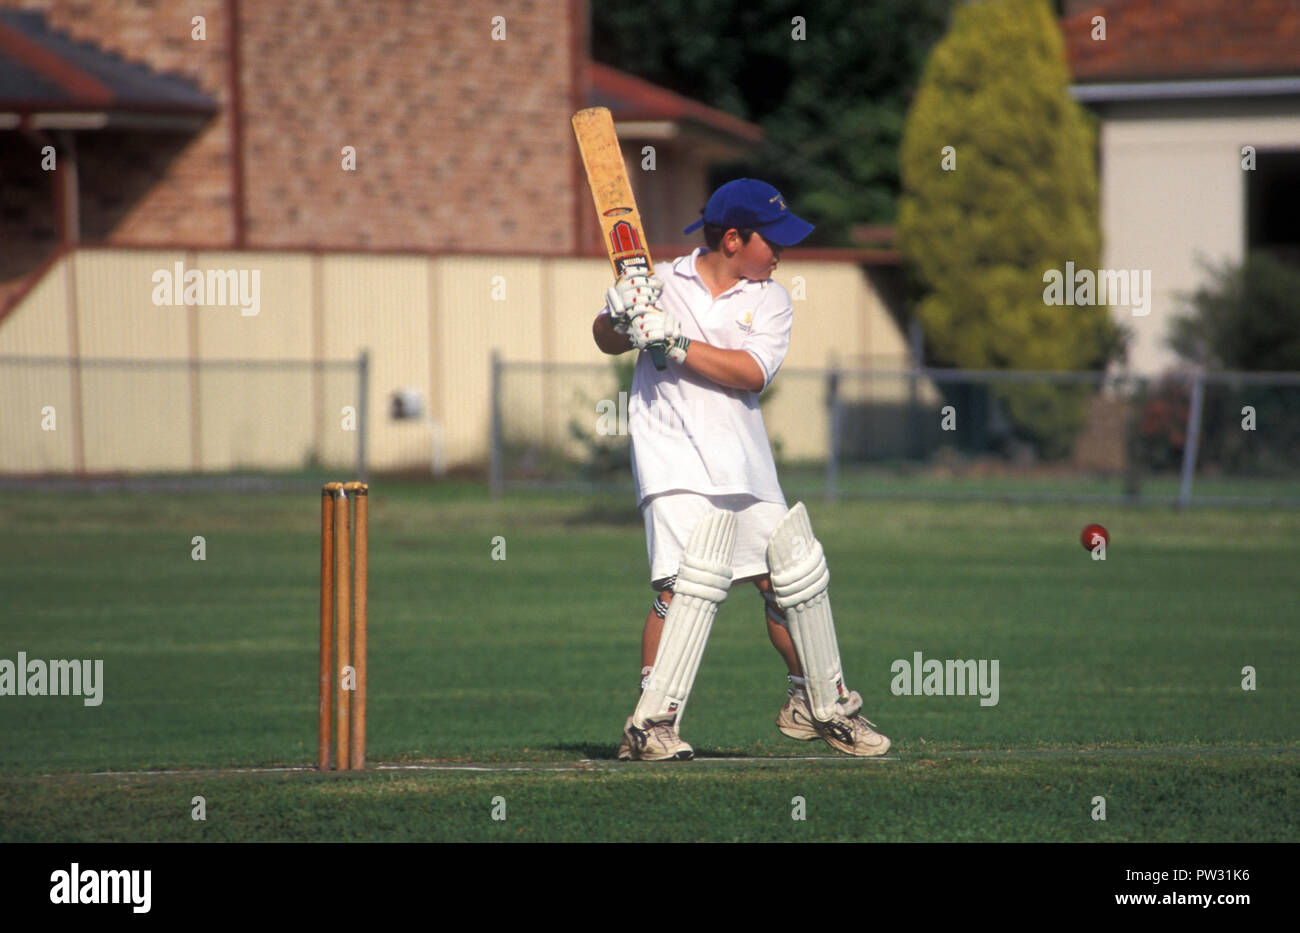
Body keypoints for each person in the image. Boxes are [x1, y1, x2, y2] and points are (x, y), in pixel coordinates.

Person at [591, 178, 889, 761]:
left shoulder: (771, 298)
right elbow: (605, 339)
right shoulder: (660, 282)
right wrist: (620, 317)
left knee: (790, 583)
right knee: (683, 587)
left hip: (744, 461)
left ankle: (819, 703)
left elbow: (751, 373)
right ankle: (651, 725)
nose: (780, 254)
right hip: (671, 455)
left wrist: (673, 342)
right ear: (733, 238)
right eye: (771, 241)